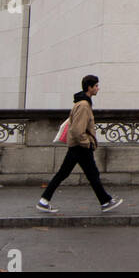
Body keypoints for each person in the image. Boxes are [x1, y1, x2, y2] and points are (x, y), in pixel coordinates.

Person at [37, 74, 123, 213]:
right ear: (89, 87)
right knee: (86, 174)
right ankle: (105, 201)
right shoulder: (83, 105)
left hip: (77, 146)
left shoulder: (82, 102)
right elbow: (78, 130)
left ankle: (105, 200)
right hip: (80, 147)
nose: (98, 88)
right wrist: (87, 143)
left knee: (79, 173)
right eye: (96, 86)